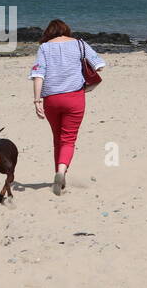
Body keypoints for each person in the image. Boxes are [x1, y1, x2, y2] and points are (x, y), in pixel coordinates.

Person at [29, 19, 106, 196]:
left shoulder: (45, 47)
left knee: (58, 139)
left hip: (51, 99)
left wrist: (36, 100)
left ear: (49, 32)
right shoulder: (79, 44)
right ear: (66, 30)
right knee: (68, 139)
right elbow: (100, 65)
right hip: (75, 97)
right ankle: (62, 172)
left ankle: (59, 175)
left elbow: (38, 74)